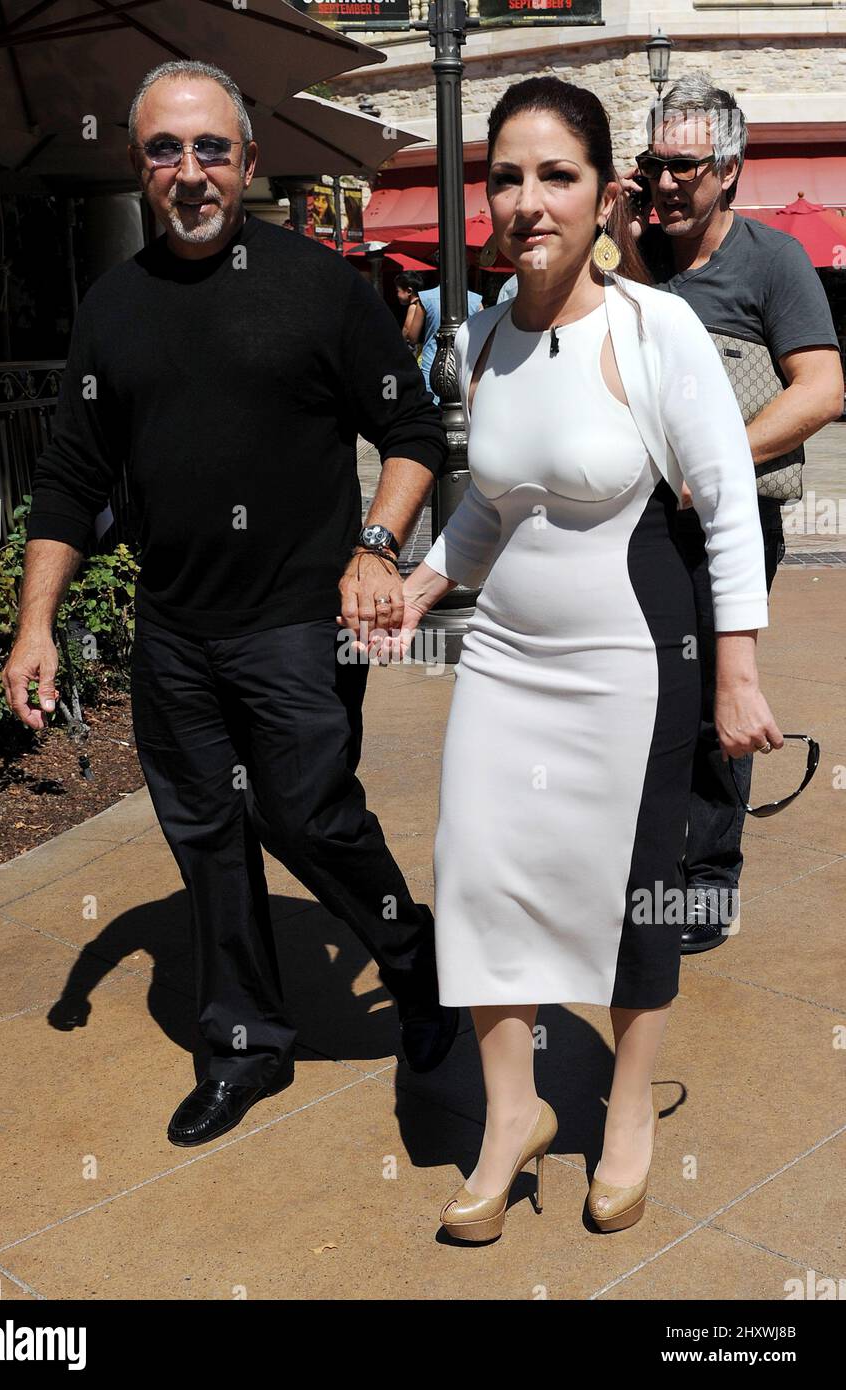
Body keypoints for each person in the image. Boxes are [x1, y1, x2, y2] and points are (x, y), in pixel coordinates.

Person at [1, 59, 459, 1149]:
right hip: (175, 630)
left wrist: (377, 545)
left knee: (306, 813)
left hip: (300, 623)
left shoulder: (321, 287)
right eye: (167, 150)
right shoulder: (112, 307)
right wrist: (35, 622)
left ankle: (414, 957)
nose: (192, 172)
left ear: (249, 162)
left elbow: (412, 432)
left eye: (213, 149)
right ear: (137, 166)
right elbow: (70, 475)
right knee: (206, 838)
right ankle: (245, 1040)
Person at [373, 75, 781, 1241]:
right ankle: (512, 1117)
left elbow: (727, 506)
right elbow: (492, 512)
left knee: (632, 886)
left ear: (605, 196)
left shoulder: (658, 331)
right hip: (505, 657)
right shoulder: (488, 335)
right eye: (505, 177)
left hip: (633, 657)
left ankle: (629, 1106)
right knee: (476, 870)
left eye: (555, 175)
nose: (525, 200)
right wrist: (421, 581)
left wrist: (738, 670)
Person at [623, 75, 844, 952]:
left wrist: (711, 464)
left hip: (727, 519)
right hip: (626, 520)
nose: (665, 182)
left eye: (684, 166)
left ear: (728, 171)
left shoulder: (769, 260)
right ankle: (638, 864)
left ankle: (707, 881)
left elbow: (822, 388)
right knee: (640, 690)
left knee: (721, 686)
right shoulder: (629, 251)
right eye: (652, 164)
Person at [416, 278, 484, 403]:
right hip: (466, 366)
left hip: (431, 367)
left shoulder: (425, 299)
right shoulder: (475, 301)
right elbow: (482, 335)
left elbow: (412, 335)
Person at [394, 271, 427, 357]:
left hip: (417, 351)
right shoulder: (424, 304)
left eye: (398, 291)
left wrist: (400, 344)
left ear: (409, 291)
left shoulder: (414, 306)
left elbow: (406, 329)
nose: (397, 295)